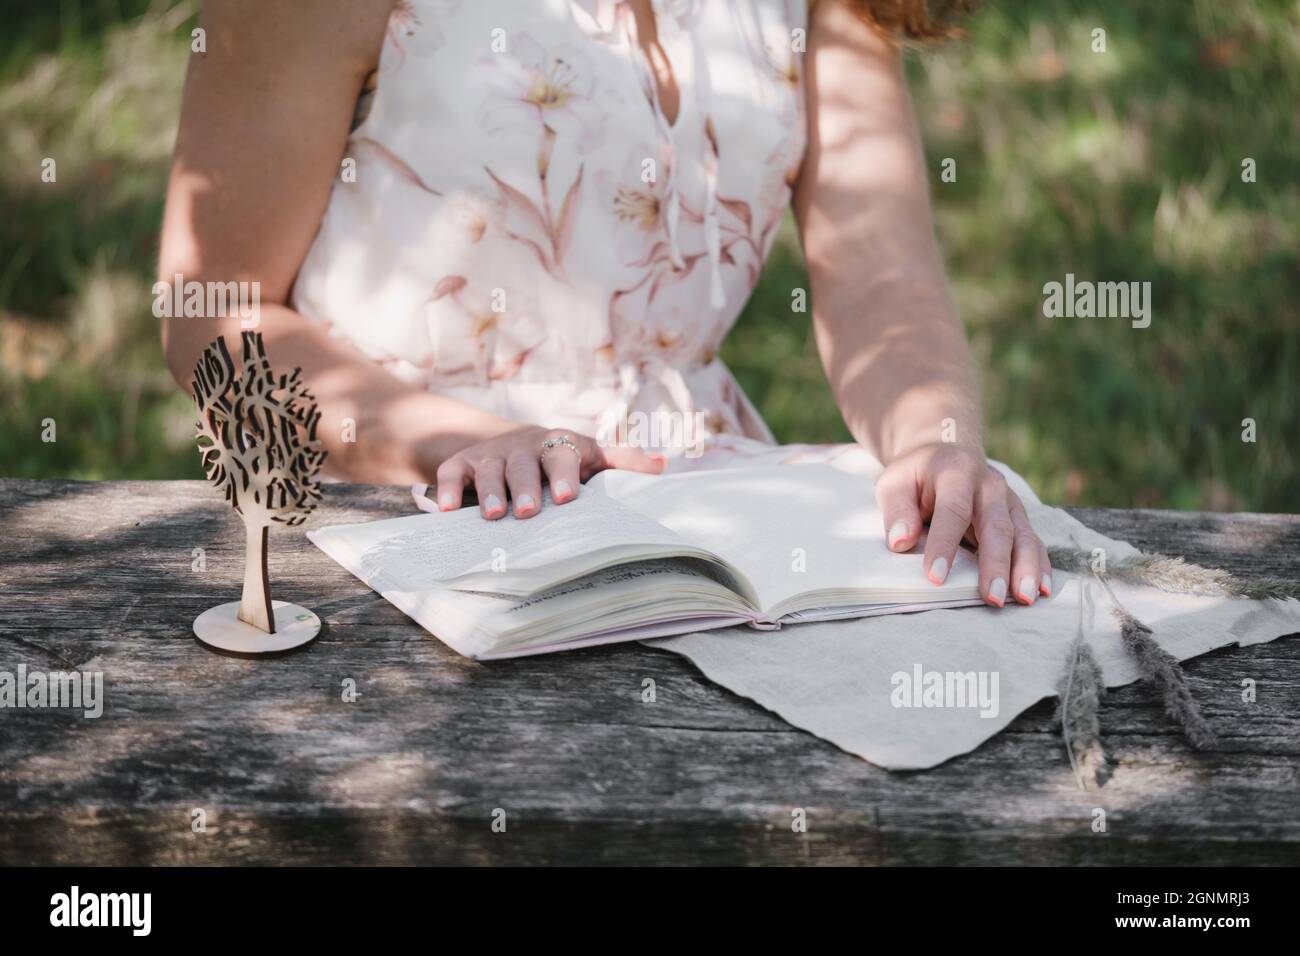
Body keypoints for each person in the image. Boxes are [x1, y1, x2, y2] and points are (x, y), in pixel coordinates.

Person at [159, 0, 1049, 608]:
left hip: (702, 514)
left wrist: (936, 444)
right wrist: (457, 445)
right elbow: (212, 322)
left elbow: (882, 284)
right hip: (399, 509)